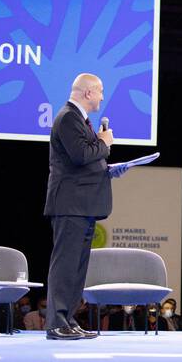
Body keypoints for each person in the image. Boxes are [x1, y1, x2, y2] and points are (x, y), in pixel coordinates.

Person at [44, 73, 132, 341]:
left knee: (77, 267)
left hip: (82, 205)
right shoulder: (68, 117)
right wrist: (104, 144)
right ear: (88, 93)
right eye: (101, 91)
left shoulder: (78, 119)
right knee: (65, 265)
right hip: (71, 204)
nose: (103, 97)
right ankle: (56, 322)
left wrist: (107, 169)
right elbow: (81, 155)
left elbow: (84, 160)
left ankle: (68, 319)